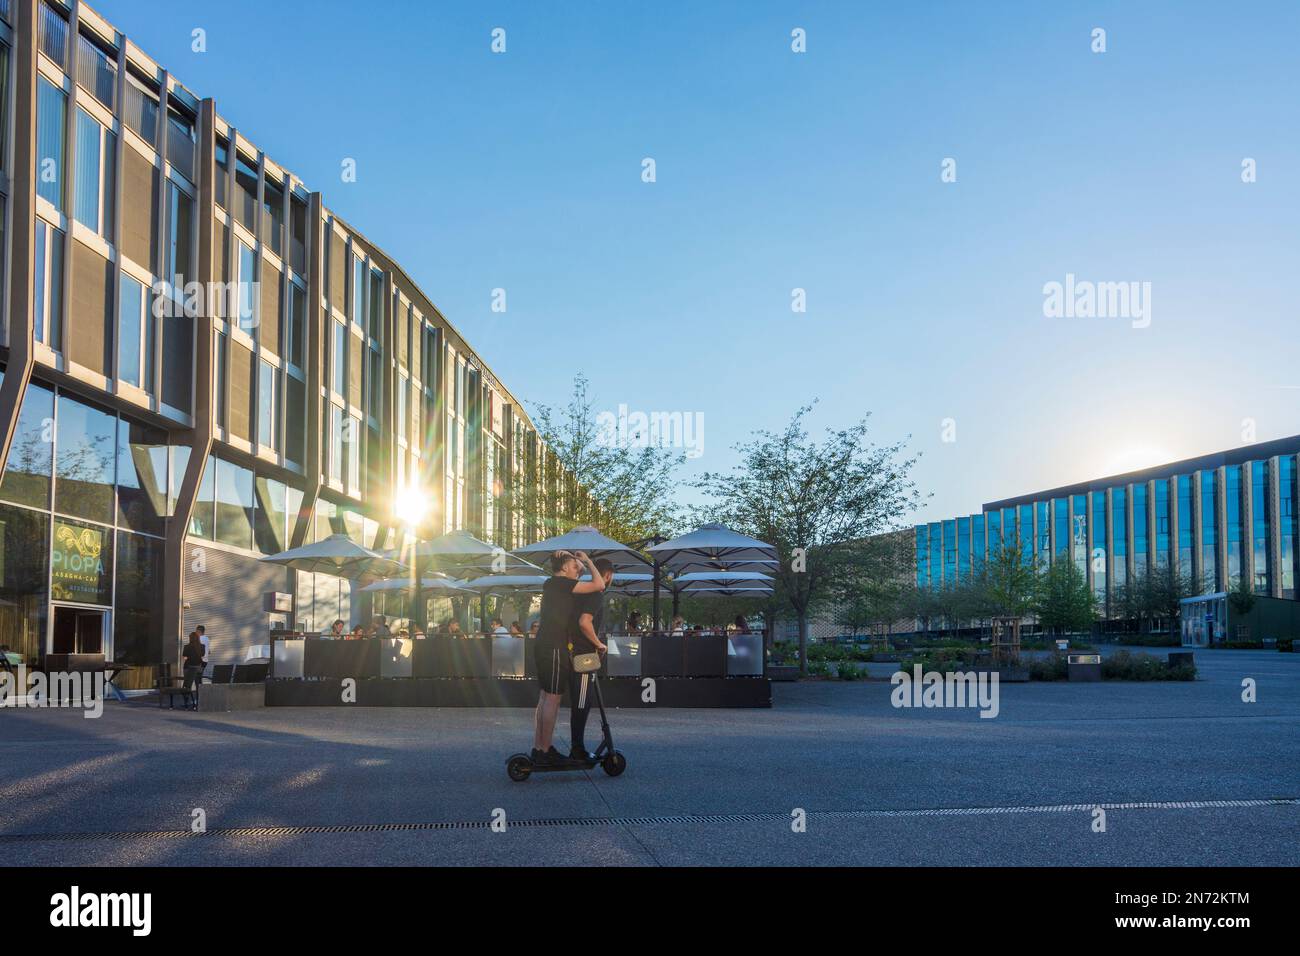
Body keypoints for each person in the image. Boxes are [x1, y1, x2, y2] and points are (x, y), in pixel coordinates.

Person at [532, 550, 605, 765]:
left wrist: (573, 559)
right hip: (554, 646)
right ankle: (545, 751)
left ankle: (539, 747)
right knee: (552, 699)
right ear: (563, 569)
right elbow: (599, 584)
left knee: (545, 697)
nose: (579, 570)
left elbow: (580, 575)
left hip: (544, 644)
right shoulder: (562, 584)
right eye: (574, 567)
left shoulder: (551, 583)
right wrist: (589, 561)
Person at [570, 558, 614, 760]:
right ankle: (577, 749)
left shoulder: (583, 593)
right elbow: (584, 623)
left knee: (582, 701)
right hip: (584, 653)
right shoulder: (596, 594)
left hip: (577, 651)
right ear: (608, 575)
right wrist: (599, 644)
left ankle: (577, 747)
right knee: (582, 702)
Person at [181, 631, 206, 710]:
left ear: (190, 638)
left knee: (187, 685)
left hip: (188, 667)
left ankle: (186, 703)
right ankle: (198, 702)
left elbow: (184, 657)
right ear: (198, 638)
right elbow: (202, 656)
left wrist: (189, 657)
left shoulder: (186, 647)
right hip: (198, 667)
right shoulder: (202, 646)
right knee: (198, 685)